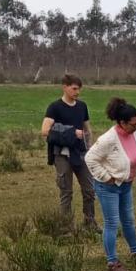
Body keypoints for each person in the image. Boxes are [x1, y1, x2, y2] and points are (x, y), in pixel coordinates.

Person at [85, 97, 136, 271]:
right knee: (112, 223)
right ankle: (112, 262)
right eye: (133, 124)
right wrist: (106, 177)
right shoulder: (108, 139)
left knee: (128, 219)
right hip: (108, 186)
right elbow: (90, 158)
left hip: (126, 184)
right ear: (123, 123)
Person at [40, 74, 96, 230]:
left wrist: (90, 148)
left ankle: (90, 223)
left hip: (80, 154)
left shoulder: (82, 106)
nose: (77, 92)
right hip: (62, 155)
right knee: (66, 192)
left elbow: (87, 129)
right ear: (64, 87)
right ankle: (66, 228)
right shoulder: (54, 107)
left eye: (79, 89)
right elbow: (45, 131)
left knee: (90, 190)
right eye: (74, 88)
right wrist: (71, 132)